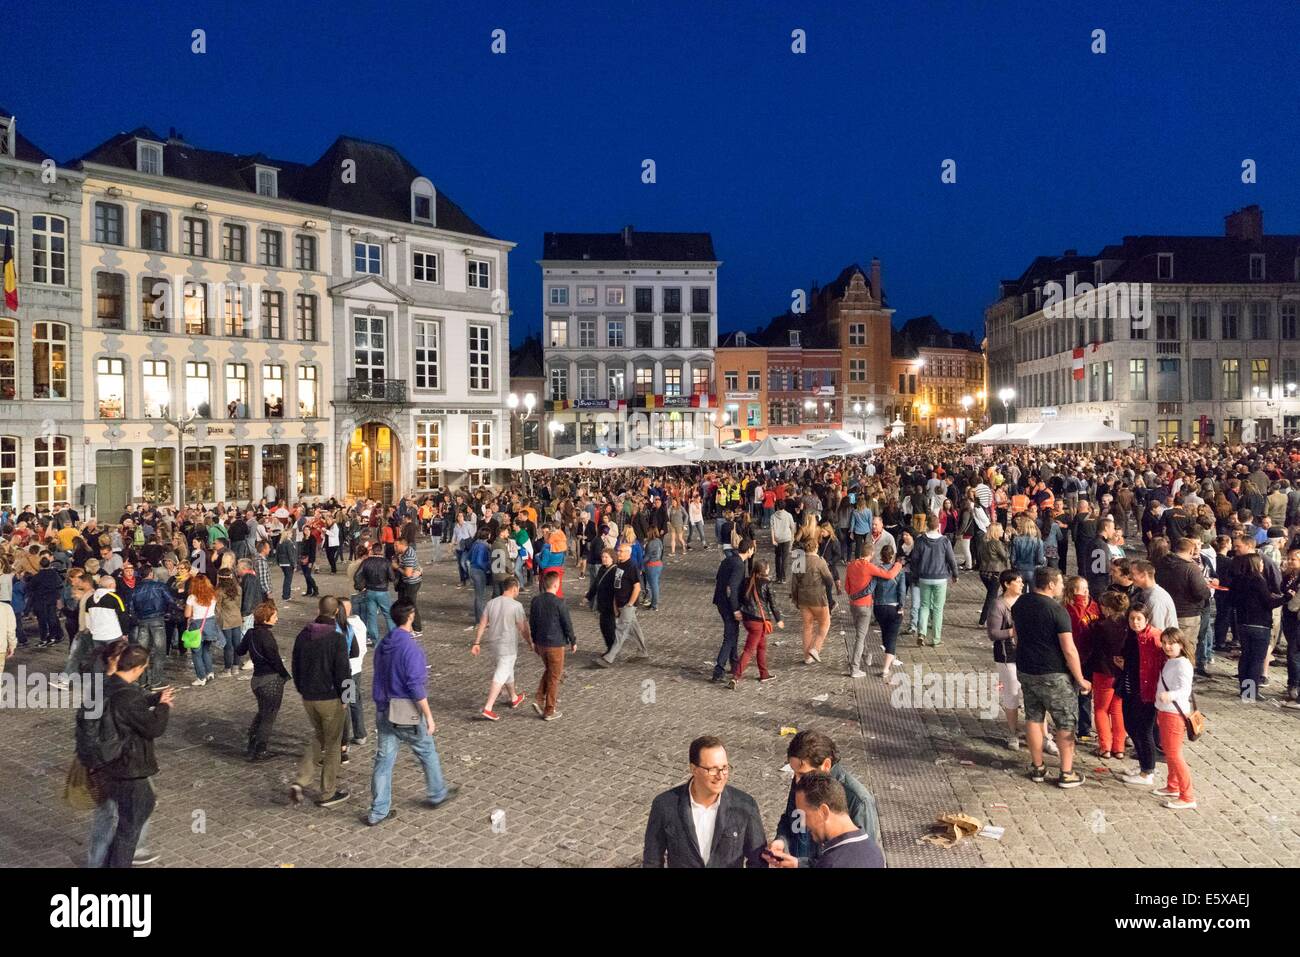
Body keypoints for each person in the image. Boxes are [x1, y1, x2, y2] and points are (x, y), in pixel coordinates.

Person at [364, 600, 458, 826]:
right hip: (407, 712)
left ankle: (378, 811)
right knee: (426, 750)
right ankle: (437, 793)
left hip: (384, 709)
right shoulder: (411, 649)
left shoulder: (383, 645)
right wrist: (429, 716)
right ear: (411, 617)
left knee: (383, 761)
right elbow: (416, 687)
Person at [1010, 567, 1091, 788]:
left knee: (1034, 718)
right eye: (1061, 583)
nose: (1063, 587)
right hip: (1054, 673)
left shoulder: (1020, 604)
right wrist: (1081, 678)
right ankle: (1066, 772)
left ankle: (1037, 767)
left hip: (1026, 669)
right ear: (1051, 585)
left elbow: (1016, 634)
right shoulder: (1057, 611)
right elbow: (1069, 649)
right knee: (1065, 722)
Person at [94, 645, 173, 867]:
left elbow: (129, 706)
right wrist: (164, 706)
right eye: (144, 667)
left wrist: (154, 699)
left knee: (126, 825)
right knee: (129, 829)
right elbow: (153, 727)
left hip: (111, 765)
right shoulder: (128, 696)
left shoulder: (108, 685)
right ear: (137, 668)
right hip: (130, 768)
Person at [642, 735, 767, 868]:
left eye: (724, 768)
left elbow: (758, 861)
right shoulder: (665, 805)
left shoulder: (745, 805)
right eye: (712, 769)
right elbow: (652, 860)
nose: (720, 776)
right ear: (693, 769)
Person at [768, 730, 882, 867]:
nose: (797, 780)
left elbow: (859, 857)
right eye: (794, 773)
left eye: (802, 774)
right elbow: (792, 818)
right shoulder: (802, 784)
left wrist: (800, 865)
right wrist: (781, 840)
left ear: (826, 765)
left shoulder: (858, 800)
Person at [289, 596, 352, 808]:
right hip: (330, 698)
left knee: (319, 737)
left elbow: (295, 666)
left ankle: (301, 780)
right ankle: (327, 793)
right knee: (333, 744)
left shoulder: (302, 636)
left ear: (319, 609)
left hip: (309, 697)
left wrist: (301, 689)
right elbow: (344, 671)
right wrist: (347, 697)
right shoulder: (336, 639)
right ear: (336, 613)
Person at [766, 772, 884, 868]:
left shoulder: (833, 862)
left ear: (824, 812)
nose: (804, 824)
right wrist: (798, 864)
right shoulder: (873, 851)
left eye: (805, 815)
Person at [236, 599, 290, 761]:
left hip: (257, 680)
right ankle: (260, 749)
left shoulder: (251, 633)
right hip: (270, 680)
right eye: (274, 616)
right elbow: (274, 659)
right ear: (266, 619)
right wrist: (284, 675)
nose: (276, 619)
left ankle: (252, 743)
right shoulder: (267, 636)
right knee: (269, 716)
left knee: (262, 712)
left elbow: (239, 650)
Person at [1116, 604, 1163, 787]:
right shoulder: (1131, 636)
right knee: (1131, 726)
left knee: (1144, 730)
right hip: (1130, 686)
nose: (1135, 622)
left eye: (1139, 619)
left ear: (1146, 619)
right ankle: (1144, 764)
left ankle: (1147, 771)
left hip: (1146, 691)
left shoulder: (1153, 637)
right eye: (1132, 618)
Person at [471, 577, 530, 720]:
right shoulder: (516, 606)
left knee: (507, 670)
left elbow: (483, 623)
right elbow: (523, 628)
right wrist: (530, 642)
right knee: (501, 673)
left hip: (494, 643)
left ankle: (514, 697)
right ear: (514, 588)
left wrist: (477, 642)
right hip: (508, 644)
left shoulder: (491, 603)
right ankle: (488, 707)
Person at [843, 547, 903, 679]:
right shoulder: (869, 566)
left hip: (853, 604)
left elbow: (847, 587)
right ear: (871, 554)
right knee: (860, 637)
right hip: (865, 605)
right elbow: (889, 575)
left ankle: (866, 654)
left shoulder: (851, 565)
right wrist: (898, 565)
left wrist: (853, 596)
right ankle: (855, 668)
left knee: (860, 633)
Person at [1155, 627, 1197, 810]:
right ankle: (1173, 785)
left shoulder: (1182, 664)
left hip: (1173, 712)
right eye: (1164, 643)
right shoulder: (1171, 660)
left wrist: (1169, 695)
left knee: (1174, 754)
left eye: (1171, 643)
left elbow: (1184, 690)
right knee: (1169, 750)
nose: (1167, 646)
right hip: (1165, 711)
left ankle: (1187, 796)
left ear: (1180, 644)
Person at [528, 570, 577, 720]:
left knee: (550, 670)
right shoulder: (559, 602)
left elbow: (532, 623)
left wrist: (534, 641)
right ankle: (549, 710)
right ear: (556, 585)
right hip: (555, 643)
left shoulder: (536, 601)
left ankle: (539, 699)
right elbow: (566, 623)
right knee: (555, 676)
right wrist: (573, 640)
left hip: (541, 643)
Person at [987, 569, 1025, 751]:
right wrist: (1013, 631)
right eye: (1017, 581)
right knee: (1012, 692)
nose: (1021, 584)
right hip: (1006, 654)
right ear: (1007, 584)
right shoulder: (999, 605)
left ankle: (1041, 734)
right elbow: (993, 633)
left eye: (1021, 581)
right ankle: (1012, 732)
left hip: (1027, 654)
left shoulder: (1025, 601)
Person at [1090, 590, 1130, 761]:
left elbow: (1094, 651)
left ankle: (1105, 746)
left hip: (1104, 672)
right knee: (1118, 710)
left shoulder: (1100, 627)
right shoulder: (1127, 625)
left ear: (1105, 608)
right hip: (1120, 672)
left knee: (1100, 709)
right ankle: (1119, 747)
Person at [730, 559, 783, 687]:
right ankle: (736, 676)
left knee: (761, 645)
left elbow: (741, 596)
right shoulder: (767, 584)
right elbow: (773, 604)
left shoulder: (748, 581)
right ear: (765, 570)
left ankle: (764, 674)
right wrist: (779, 619)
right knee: (749, 649)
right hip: (759, 621)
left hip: (748, 618)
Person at [911, 512, 960, 648]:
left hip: (924, 577)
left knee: (924, 606)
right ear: (938, 526)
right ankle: (936, 638)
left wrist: (915, 576)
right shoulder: (944, 541)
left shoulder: (920, 540)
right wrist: (955, 574)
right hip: (940, 578)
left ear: (927, 525)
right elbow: (951, 559)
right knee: (938, 609)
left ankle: (921, 632)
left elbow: (914, 560)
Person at [596, 541, 647, 667]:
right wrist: (615, 603)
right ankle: (643, 652)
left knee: (621, 630)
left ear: (628, 553)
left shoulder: (632, 566)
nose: (618, 552)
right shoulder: (619, 566)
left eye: (621, 551)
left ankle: (609, 657)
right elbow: (616, 586)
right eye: (618, 550)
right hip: (619, 603)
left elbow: (637, 587)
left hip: (627, 605)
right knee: (634, 628)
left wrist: (630, 604)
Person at [710, 537, 752, 683]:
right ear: (749, 550)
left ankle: (734, 663)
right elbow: (732, 588)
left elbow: (719, 578)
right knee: (729, 636)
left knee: (734, 633)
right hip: (729, 605)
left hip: (720, 601)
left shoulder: (728, 560)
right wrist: (735, 609)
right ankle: (719, 669)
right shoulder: (739, 565)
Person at [791, 534, 835, 665]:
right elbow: (829, 580)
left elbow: (794, 583)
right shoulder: (820, 562)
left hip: (803, 598)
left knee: (807, 627)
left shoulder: (798, 561)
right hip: (818, 598)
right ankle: (815, 648)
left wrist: (795, 598)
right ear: (816, 548)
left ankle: (807, 657)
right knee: (825, 624)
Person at [184, 573, 221, 687]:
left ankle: (201, 677)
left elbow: (187, 614)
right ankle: (210, 672)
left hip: (197, 627)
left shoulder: (192, 598)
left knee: (196, 653)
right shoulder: (213, 596)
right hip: (210, 625)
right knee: (206, 650)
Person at [392, 538, 423, 636]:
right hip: (404, 583)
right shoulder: (403, 553)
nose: (395, 548)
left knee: (410, 605)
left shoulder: (408, 555)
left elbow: (408, 573)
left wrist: (397, 567)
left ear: (402, 545)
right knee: (401, 603)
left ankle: (417, 629)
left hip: (411, 583)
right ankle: (405, 626)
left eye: (396, 546)